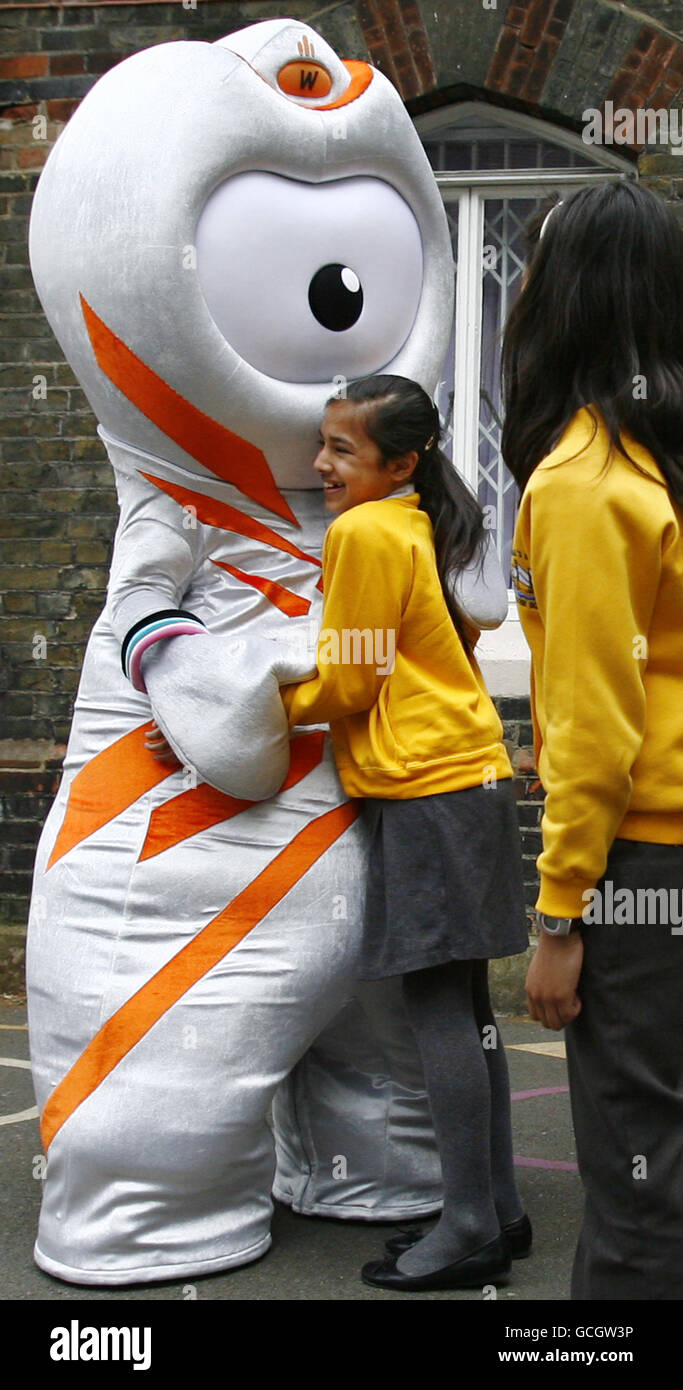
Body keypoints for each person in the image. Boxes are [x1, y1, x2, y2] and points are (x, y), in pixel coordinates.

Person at [278, 374, 531, 1291]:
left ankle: (465, 1224)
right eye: (324, 444)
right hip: (471, 780)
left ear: (401, 462)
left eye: (342, 450)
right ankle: (497, 1212)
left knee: (439, 1015)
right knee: (469, 1015)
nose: (320, 464)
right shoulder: (415, 523)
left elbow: (348, 681)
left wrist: (261, 704)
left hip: (425, 791)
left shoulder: (363, 531)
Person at [502, 181, 683, 1300]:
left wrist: (559, 915)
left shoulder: (582, 482)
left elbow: (593, 730)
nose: (514, 289)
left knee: (635, 1192)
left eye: (527, 267)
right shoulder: (657, 466)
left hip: (638, 873)